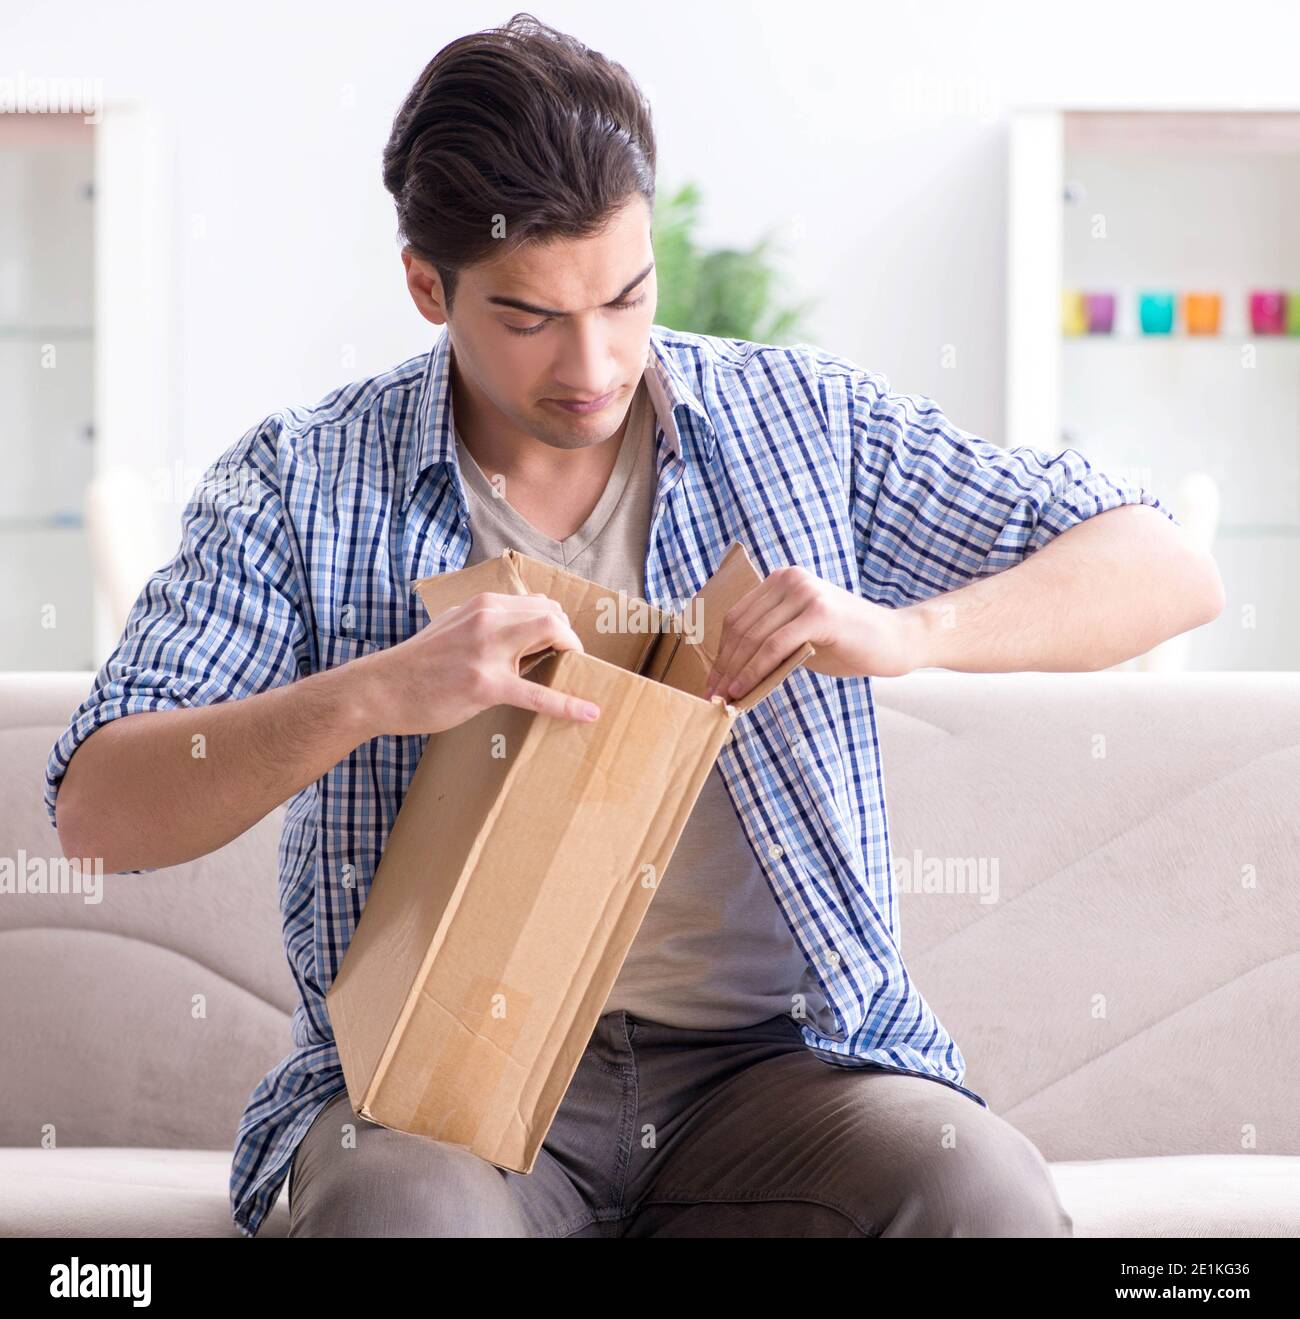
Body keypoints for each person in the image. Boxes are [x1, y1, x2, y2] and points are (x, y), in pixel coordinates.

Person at [44, 13, 1224, 1239]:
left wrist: (910, 632)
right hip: (434, 1094)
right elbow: (98, 813)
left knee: (974, 1188)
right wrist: (377, 692)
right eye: (528, 316)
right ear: (425, 285)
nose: (595, 363)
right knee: (403, 1216)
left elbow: (1163, 565)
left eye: (625, 296)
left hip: (772, 1072)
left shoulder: (798, 424)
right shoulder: (302, 479)